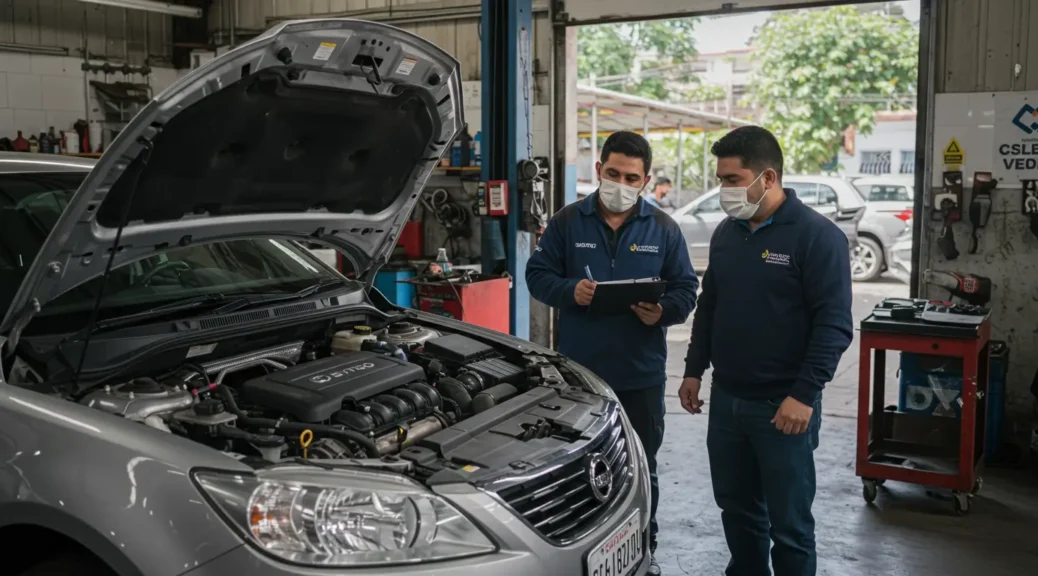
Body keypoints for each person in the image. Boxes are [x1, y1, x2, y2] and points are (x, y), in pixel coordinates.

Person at [678, 125, 853, 576]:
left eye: (733, 180)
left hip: (783, 408)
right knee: (738, 514)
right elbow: (710, 306)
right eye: (720, 180)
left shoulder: (817, 237)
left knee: (790, 526)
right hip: (728, 402)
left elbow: (834, 327)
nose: (724, 190)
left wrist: (804, 394)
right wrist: (694, 370)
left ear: (768, 179)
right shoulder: (726, 234)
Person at [527, 131, 699, 576]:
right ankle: (578, 551)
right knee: (577, 467)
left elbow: (686, 288)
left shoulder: (663, 228)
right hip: (580, 375)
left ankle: (645, 545)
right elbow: (537, 275)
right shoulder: (567, 222)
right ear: (599, 170)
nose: (622, 183)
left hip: (640, 373)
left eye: (633, 177)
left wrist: (662, 311)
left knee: (642, 467)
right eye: (614, 173)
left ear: (645, 181)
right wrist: (571, 291)